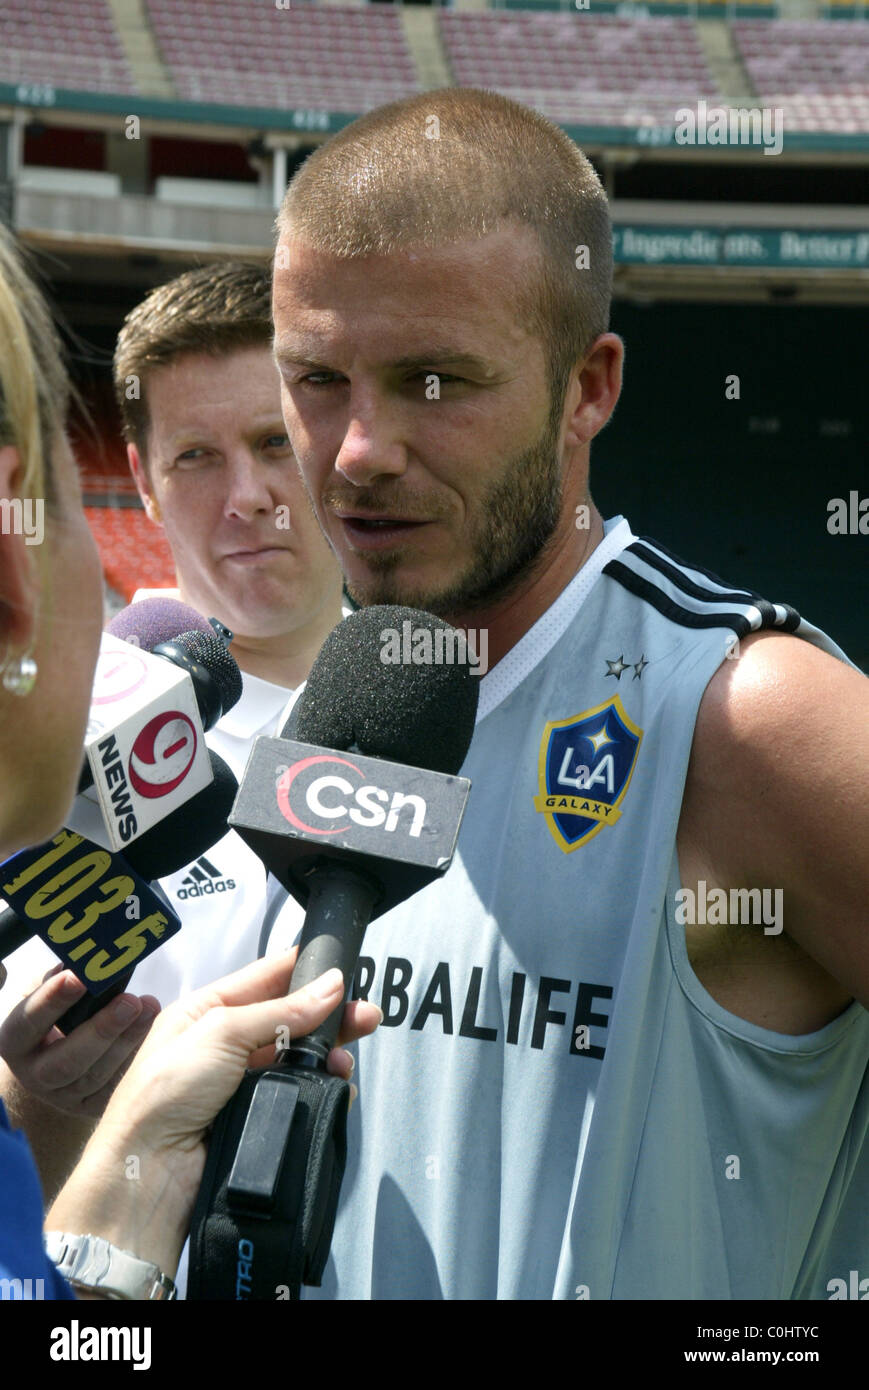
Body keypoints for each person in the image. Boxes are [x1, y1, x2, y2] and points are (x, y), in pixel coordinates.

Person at [266, 86, 869, 1299]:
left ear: (587, 387)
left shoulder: (749, 718)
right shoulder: (320, 716)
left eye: (435, 379)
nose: (357, 449)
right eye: (315, 377)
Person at [0, 223, 381, 1298]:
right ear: (140, 476)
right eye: (197, 456)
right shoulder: (40, 747)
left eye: (273, 442)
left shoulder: (461, 719)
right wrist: (45, 1097)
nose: (247, 494)